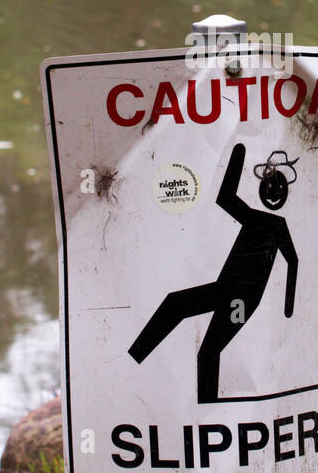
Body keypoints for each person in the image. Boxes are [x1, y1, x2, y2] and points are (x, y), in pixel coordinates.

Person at [128, 143, 299, 402]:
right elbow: (225, 198)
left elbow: (293, 261)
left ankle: (206, 404)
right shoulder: (255, 218)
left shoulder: (275, 224)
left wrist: (288, 307)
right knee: (177, 304)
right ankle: (130, 362)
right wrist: (238, 156)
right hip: (227, 288)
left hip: (243, 296)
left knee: (209, 350)